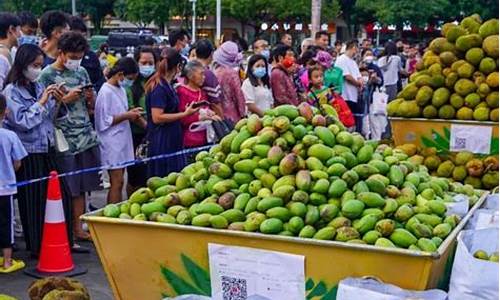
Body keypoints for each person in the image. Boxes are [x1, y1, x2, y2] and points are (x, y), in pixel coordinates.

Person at [2, 44, 77, 255]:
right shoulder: (11, 91)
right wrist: (43, 101)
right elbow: (22, 121)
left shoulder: (38, 86)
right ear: (23, 65)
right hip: (28, 152)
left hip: (47, 147)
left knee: (61, 194)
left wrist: (59, 100)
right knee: (33, 202)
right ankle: (36, 247)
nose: (37, 69)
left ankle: (62, 240)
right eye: (34, 65)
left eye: (40, 65)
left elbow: (52, 117)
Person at [39, 32, 100, 242]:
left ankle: (79, 227)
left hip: (84, 136)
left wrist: (91, 98)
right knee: (69, 186)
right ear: (61, 53)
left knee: (83, 185)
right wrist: (65, 98)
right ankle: (68, 229)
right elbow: (43, 110)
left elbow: (90, 106)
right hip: (63, 139)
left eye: (79, 56)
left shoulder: (82, 72)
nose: (76, 60)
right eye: (72, 56)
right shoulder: (46, 75)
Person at [95, 57, 142, 204]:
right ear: (120, 74)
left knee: (120, 180)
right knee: (117, 182)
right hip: (111, 141)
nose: (129, 82)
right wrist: (127, 115)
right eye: (128, 78)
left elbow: (121, 110)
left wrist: (131, 112)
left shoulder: (121, 90)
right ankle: (111, 212)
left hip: (122, 139)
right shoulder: (105, 92)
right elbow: (104, 120)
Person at [145, 48, 196, 177]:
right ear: (178, 66)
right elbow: (157, 117)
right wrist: (184, 114)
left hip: (171, 138)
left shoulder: (167, 85)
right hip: (162, 141)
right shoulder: (159, 87)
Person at [0, 93, 28, 273]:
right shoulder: (9, 136)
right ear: (5, 112)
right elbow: (18, 162)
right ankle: (8, 261)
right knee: (6, 224)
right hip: (5, 187)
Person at [126, 47, 155, 194]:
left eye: (151, 62)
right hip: (137, 136)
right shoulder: (130, 86)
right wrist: (148, 128)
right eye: (144, 62)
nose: (147, 66)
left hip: (154, 135)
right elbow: (132, 112)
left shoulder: (157, 82)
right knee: (135, 177)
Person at [178, 60, 220, 148]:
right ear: (190, 76)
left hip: (206, 138)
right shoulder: (182, 92)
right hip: (190, 141)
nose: (204, 77)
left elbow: (206, 108)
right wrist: (201, 117)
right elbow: (182, 119)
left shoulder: (202, 92)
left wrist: (210, 114)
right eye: (201, 74)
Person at [69, 16, 106, 92]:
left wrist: (92, 91)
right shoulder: (60, 56)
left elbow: (100, 81)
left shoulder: (91, 57)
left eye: (84, 36)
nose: (82, 40)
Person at [213, 41, 246, 123]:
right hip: (232, 115)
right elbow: (238, 95)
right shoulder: (232, 73)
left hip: (217, 114)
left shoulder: (214, 72)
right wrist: (243, 114)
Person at [335, 40, 363, 132]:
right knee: (346, 120)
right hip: (345, 95)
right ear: (354, 48)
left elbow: (358, 75)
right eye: (357, 49)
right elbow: (347, 76)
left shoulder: (353, 62)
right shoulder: (341, 59)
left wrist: (361, 82)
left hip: (353, 95)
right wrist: (358, 83)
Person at [193, 39, 223, 116]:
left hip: (191, 114)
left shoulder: (189, 69)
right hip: (206, 116)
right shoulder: (208, 74)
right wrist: (222, 118)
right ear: (211, 54)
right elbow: (215, 102)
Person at [0, 13, 21, 90]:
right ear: (11, 29)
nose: (20, 35)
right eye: (19, 30)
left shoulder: (12, 52)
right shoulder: (1, 58)